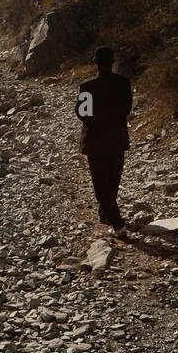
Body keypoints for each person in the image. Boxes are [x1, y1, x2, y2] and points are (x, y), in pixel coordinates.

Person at [75, 46, 133, 230]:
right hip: (117, 137)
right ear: (113, 62)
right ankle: (106, 213)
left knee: (100, 183)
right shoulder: (124, 83)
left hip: (95, 139)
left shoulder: (87, 87)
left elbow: (82, 114)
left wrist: (97, 121)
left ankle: (117, 223)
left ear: (96, 63)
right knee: (113, 179)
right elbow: (126, 110)